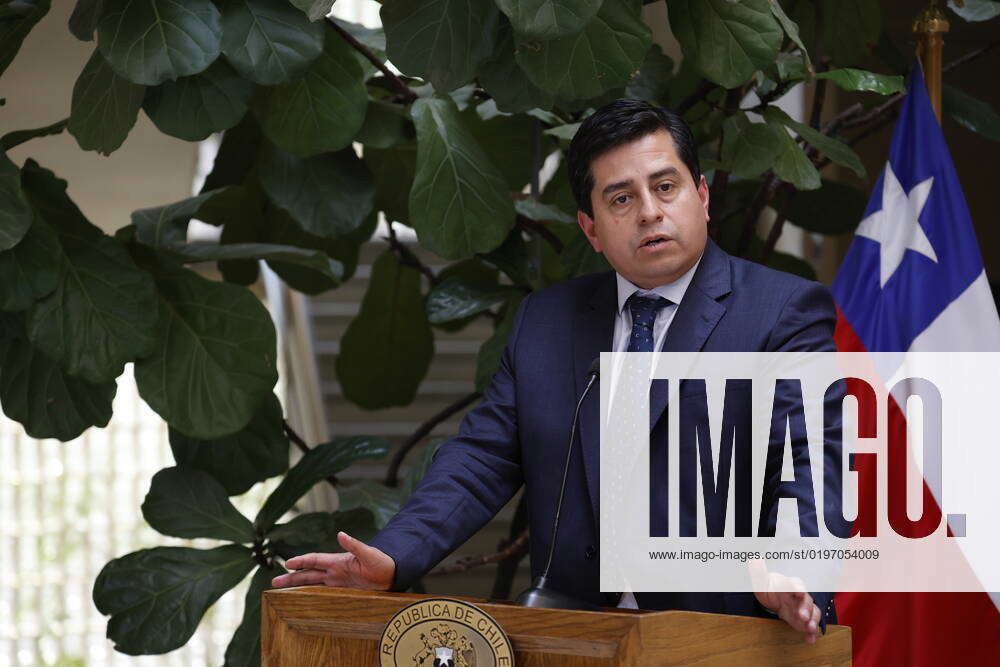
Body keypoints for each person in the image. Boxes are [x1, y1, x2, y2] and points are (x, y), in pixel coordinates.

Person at [272, 99, 838, 643]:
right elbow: (481, 459)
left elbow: (811, 460)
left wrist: (791, 568)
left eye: (666, 187)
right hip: (573, 638)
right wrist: (395, 555)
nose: (649, 211)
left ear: (702, 196)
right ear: (590, 229)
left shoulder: (782, 313)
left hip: (724, 638)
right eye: (620, 199)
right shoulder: (545, 322)